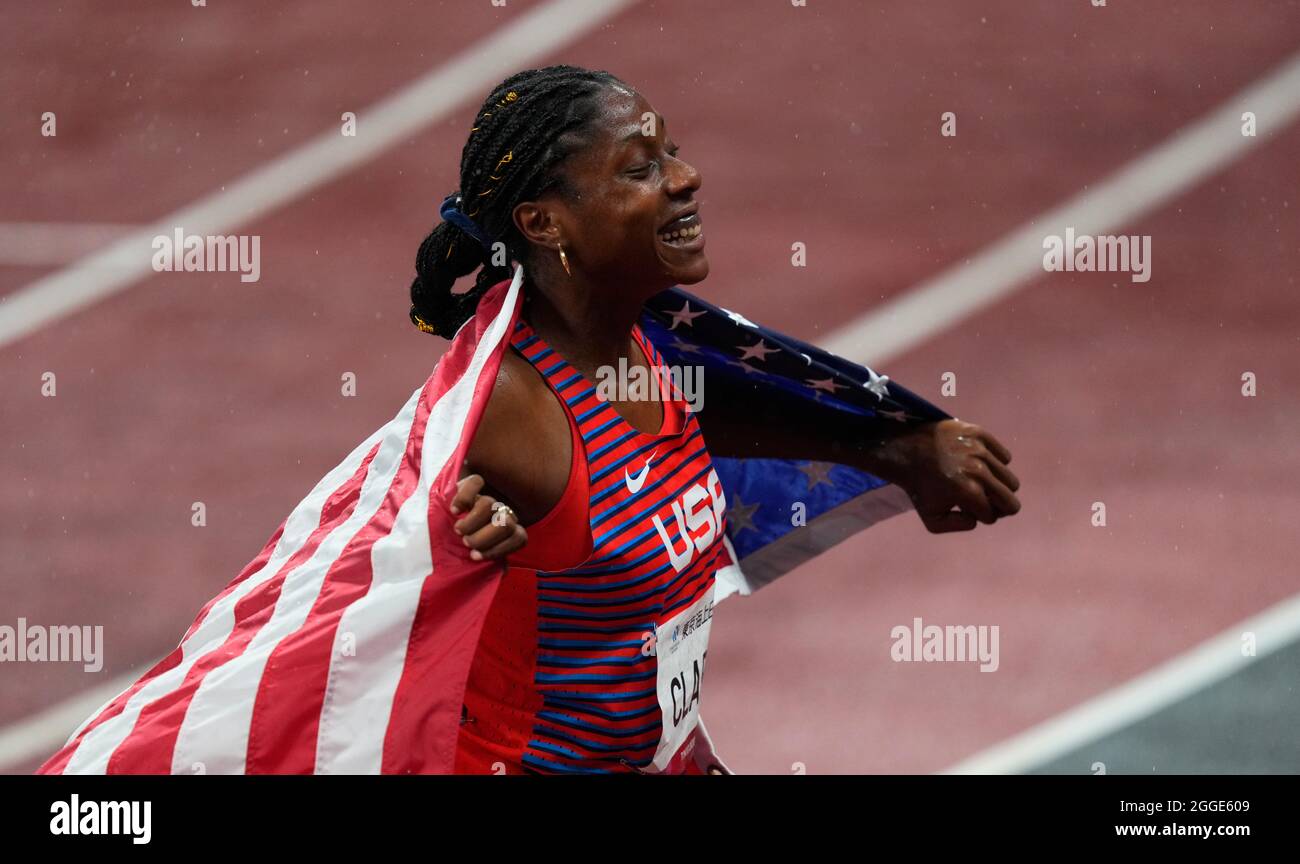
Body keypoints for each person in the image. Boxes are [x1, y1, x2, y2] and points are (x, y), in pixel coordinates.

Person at [408, 65, 1022, 774]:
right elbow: (376, 548)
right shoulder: (508, 404)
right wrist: (442, 546)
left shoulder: (646, 350)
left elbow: (729, 414)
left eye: (671, 152)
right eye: (640, 170)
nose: (686, 177)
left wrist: (898, 448)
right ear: (544, 223)